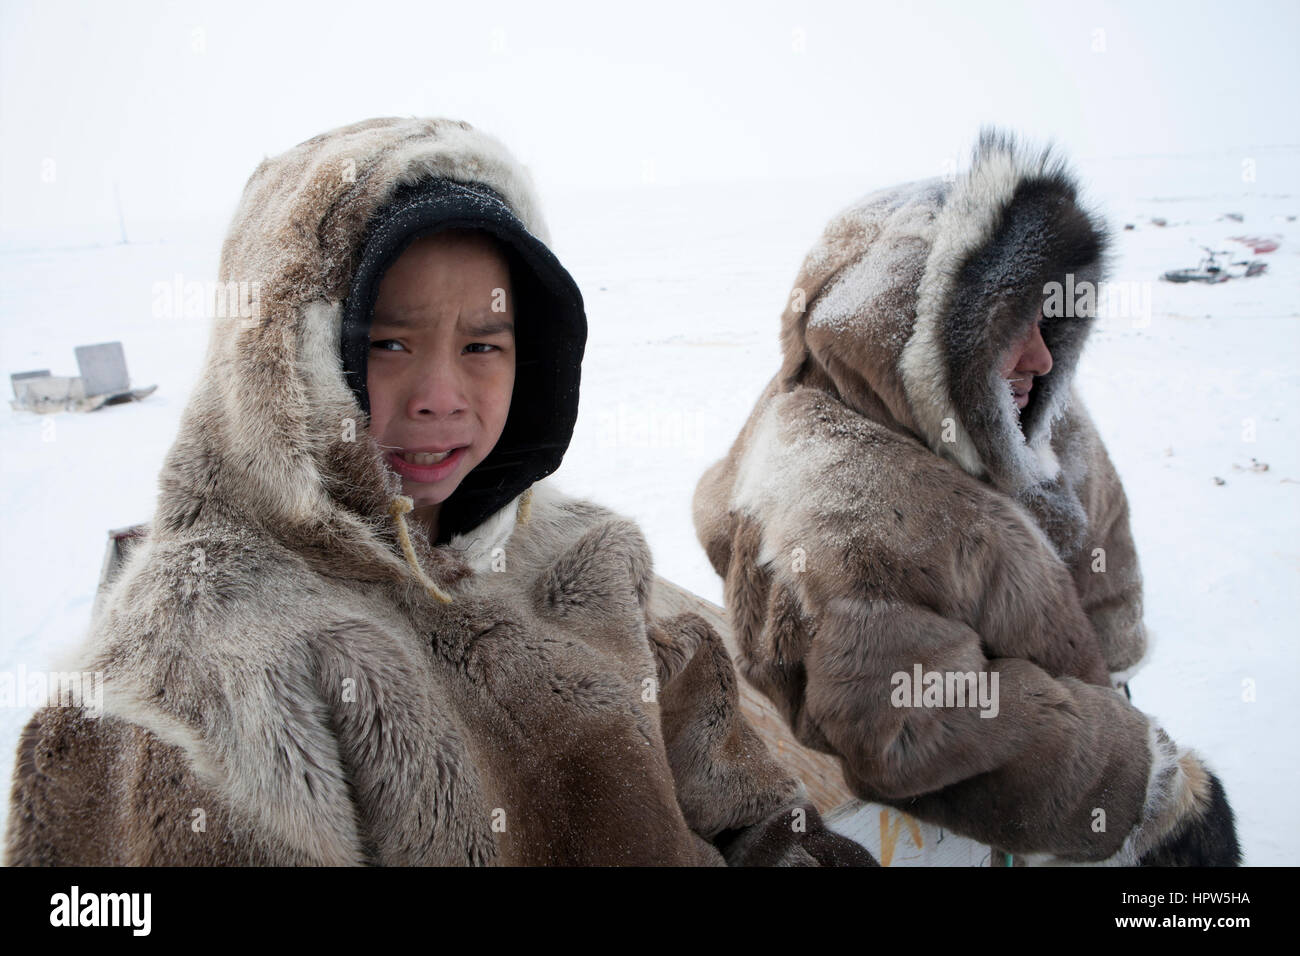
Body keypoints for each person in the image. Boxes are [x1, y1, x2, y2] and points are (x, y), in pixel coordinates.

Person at [4, 117, 875, 867]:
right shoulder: (201, 674)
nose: (441, 395)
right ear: (282, 357)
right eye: (389, 343)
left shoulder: (582, 562)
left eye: (483, 345)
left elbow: (739, 799)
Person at [693, 129, 1241, 866]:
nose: (1044, 359)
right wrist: (1137, 787)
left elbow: (1100, 543)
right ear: (922, 342)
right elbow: (910, 726)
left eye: (1050, 322)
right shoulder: (841, 503)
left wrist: (1110, 684)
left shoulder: (1023, 412)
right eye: (1016, 327)